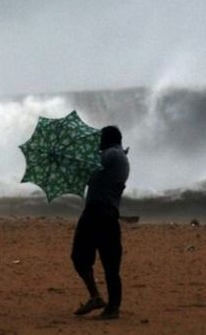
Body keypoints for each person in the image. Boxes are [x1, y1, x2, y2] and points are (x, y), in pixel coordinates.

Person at [71, 125, 130, 320]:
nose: (97, 143)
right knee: (110, 263)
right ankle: (109, 304)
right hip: (109, 213)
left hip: (97, 213)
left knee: (80, 257)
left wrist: (74, 161)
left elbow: (88, 170)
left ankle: (101, 299)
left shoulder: (111, 154)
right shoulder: (120, 157)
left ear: (107, 139)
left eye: (99, 139)